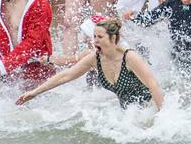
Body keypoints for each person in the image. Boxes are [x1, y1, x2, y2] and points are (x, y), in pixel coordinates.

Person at [18, 17, 163, 110]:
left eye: (100, 37)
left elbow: (153, 85)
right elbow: (66, 75)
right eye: (94, 36)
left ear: (113, 39)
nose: (95, 41)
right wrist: (35, 92)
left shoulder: (129, 57)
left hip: (149, 110)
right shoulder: (95, 58)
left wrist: (161, 116)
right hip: (128, 116)